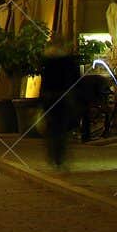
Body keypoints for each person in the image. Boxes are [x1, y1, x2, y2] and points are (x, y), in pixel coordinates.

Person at [38, 39, 82, 168]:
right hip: (65, 97)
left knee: (52, 128)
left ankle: (54, 154)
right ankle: (60, 155)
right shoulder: (68, 61)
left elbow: (44, 82)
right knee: (63, 127)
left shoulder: (47, 61)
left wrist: (41, 101)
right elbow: (75, 79)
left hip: (50, 98)